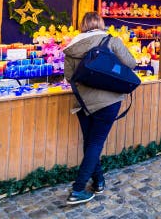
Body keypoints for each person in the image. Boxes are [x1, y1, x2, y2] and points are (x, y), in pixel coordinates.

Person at [63, 12, 137, 205]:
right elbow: (131, 63)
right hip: (109, 101)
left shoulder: (71, 47)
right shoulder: (111, 41)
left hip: (82, 103)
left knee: (90, 143)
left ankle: (98, 181)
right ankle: (78, 189)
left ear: (83, 25)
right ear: (101, 24)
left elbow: (68, 77)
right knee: (95, 143)